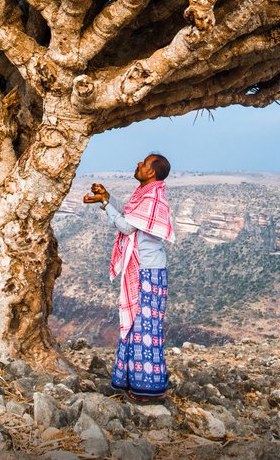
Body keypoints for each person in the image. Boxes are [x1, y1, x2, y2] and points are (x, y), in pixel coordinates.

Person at [84, 153, 175, 402]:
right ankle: (129, 381)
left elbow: (126, 226)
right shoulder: (145, 194)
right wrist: (106, 198)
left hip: (148, 272)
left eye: (143, 164)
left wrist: (105, 203)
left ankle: (148, 388)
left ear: (151, 172)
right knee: (136, 325)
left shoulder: (153, 198)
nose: (138, 164)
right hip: (143, 269)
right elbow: (129, 217)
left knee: (146, 328)